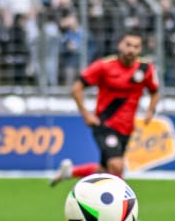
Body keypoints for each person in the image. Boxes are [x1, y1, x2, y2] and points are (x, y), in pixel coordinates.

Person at [50, 30, 160, 186]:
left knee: (105, 170)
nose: (131, 50)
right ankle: (124, 204)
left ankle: (69, 172)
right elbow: (76, 88)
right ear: (120, 45)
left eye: (136, 46)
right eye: (128, 45)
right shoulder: (104, 66)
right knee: (117, 166)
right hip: (105, 124)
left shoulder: (145, 69)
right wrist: (86, 115)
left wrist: (150, 111)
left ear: (140, 49)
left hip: (126, 128)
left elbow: (155, 92)